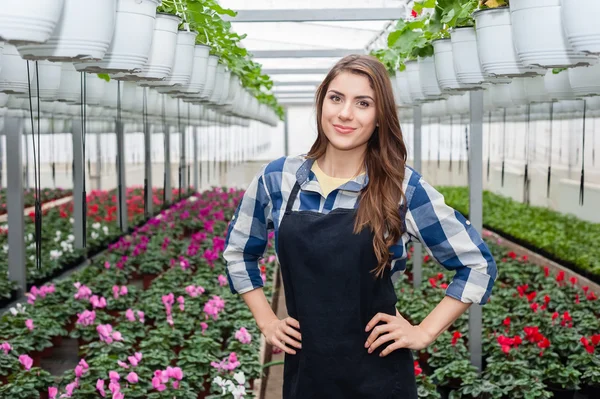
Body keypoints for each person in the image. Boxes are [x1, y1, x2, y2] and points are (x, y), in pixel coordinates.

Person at [223, 54, 497, 399]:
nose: (345, 114)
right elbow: (238, 251)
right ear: (321, 102)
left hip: (378, 375)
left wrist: (424, 331)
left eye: (363, 103)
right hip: (306, 372)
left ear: (380, 117)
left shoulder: (402, 189)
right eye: (336, 98)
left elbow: (476, 264)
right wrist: (266, 320)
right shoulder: (279, 179)